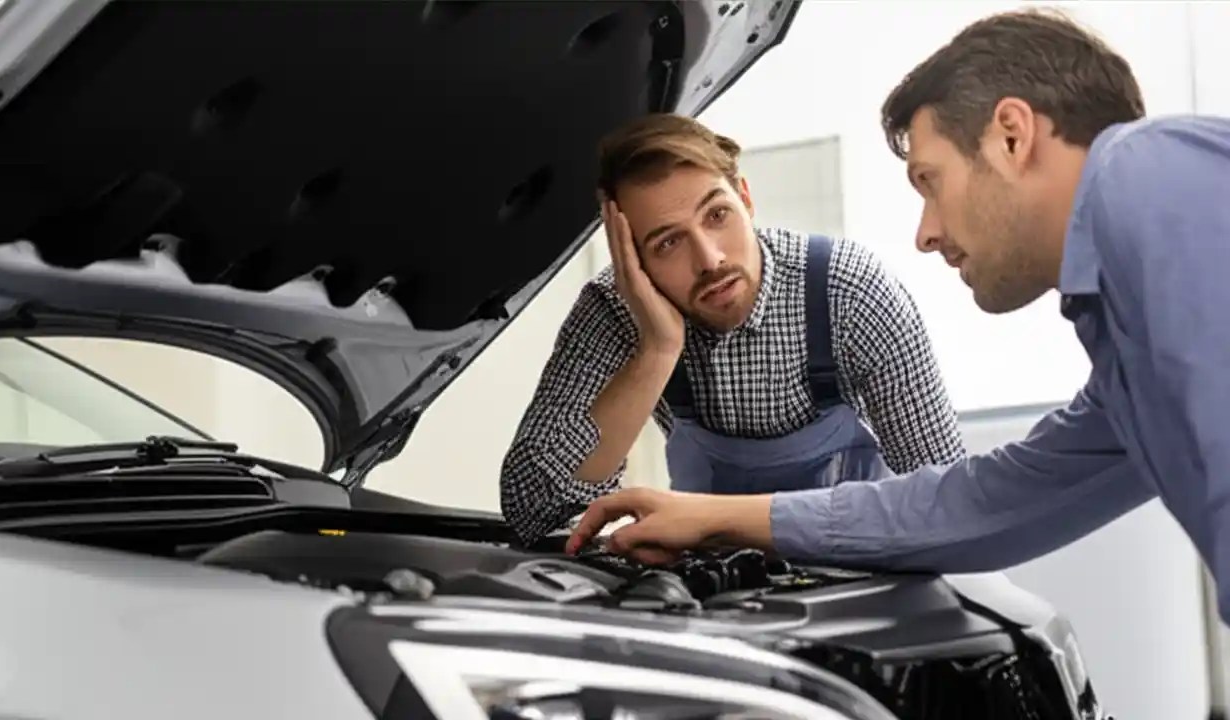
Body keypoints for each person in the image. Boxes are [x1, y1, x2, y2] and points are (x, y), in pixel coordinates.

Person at [564, 8, 1230, 622]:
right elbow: (973, 507)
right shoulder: (1125, 362)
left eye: (928, 181)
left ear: (1011, 136)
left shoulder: (1146, 177)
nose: (926, 232)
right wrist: (712, 518)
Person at [499, 113, 964, 545]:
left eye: (717, 216)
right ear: (633, 261)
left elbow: (948, 506)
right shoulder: (619, 311)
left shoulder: (849, 289)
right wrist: (657, 351)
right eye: (667, 243)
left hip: (864, 576)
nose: (710, 259)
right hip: (717, 598)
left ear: (745, 198)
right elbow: (530, 508)